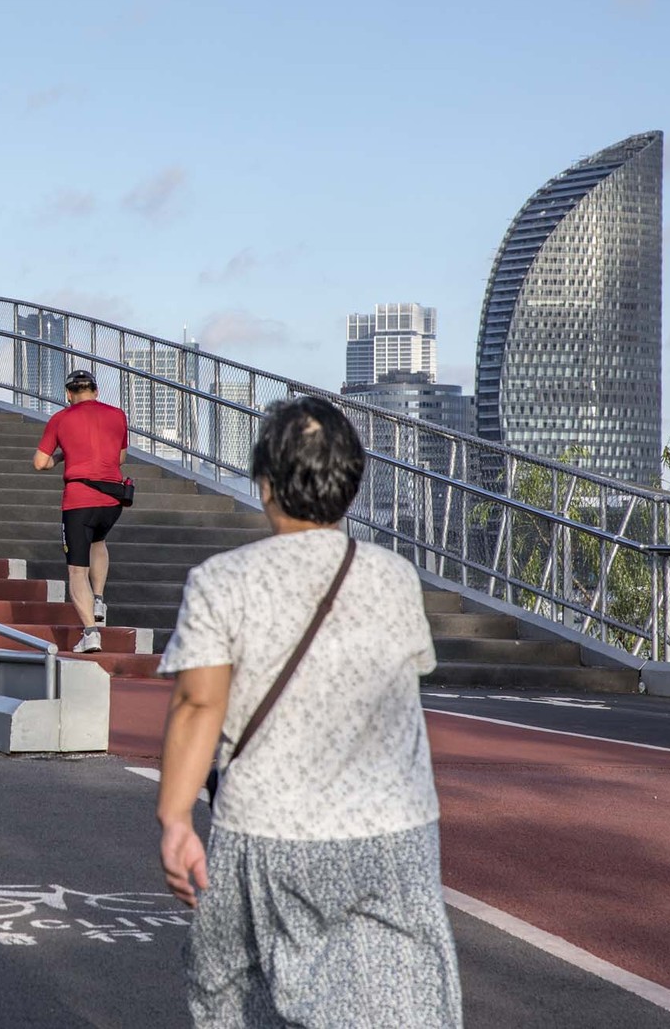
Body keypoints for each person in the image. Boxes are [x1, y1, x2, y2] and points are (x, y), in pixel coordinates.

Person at [154, 395, 459, 1028]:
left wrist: (176, 818)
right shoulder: (395, 577)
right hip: (391, 829)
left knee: (233, 988)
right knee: (401, 995)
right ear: (350, 484)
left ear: (265, 484)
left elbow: (198, 703)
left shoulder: (221, 580)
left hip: (268, 829)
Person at [32, 368, 129, 654]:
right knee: (98, 541)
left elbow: (40, 462)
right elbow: (120, 457)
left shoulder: (61, 418)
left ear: (68, 394)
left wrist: (63, 455)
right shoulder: (118, 415)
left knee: (77, 570)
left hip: (79, 500)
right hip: (112, 499)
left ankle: (90, 633)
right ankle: (98, 599)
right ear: (96, 391)